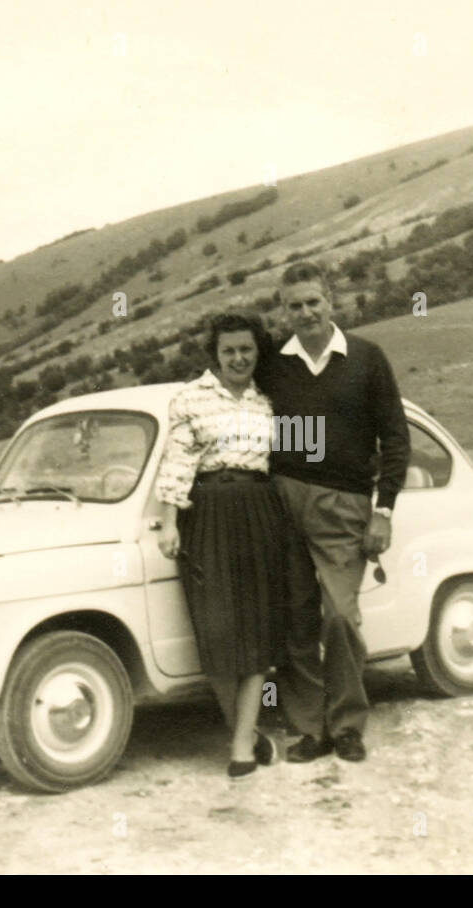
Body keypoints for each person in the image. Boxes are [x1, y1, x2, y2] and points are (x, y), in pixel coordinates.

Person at [155, 313, 320, 780]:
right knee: (217, 631)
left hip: (260, 513)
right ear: (215, 355)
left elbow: (304, 453)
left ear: (256, 352)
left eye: (246, 349)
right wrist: (169, 522)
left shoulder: (269, 403)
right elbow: (177, 463)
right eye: (229, 351)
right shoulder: (189, 399)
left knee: (255, 630)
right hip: (205, 513)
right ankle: (242, 732)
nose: (238, 358)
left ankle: (243, 745)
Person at [260, 262, 411, 764]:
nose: (305, 312)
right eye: (294, 305)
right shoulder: (273, 365)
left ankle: (347, 724)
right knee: (296, 619)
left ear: (331, 301)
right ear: (283, 311)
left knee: (340, 618)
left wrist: (382, 511)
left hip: (345, 504)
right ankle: (308, 729)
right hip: (283, 499)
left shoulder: (366, 358)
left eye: (313, 302)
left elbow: (394, 438)